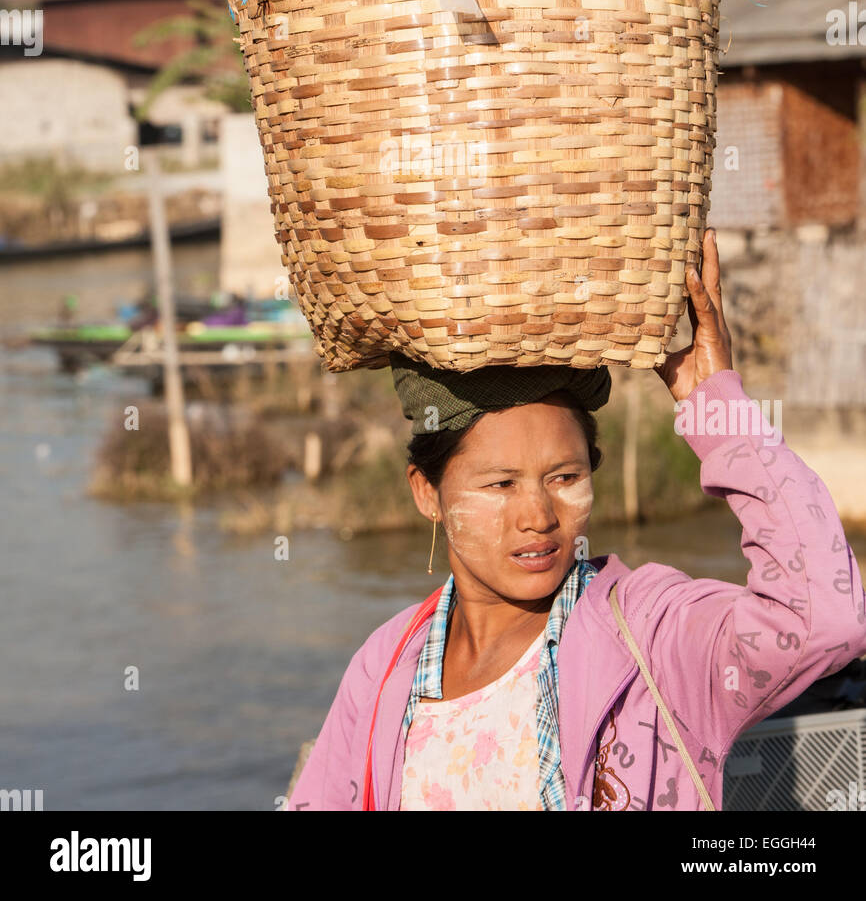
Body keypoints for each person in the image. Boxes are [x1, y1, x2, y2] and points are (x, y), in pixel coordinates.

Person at [285, 229, 866, 811]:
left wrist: (710, 401)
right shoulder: (388, 669)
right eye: (500, 484)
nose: (538, 516)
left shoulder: (651, 640)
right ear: (428, 492)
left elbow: (823, 619)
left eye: (565, 478)